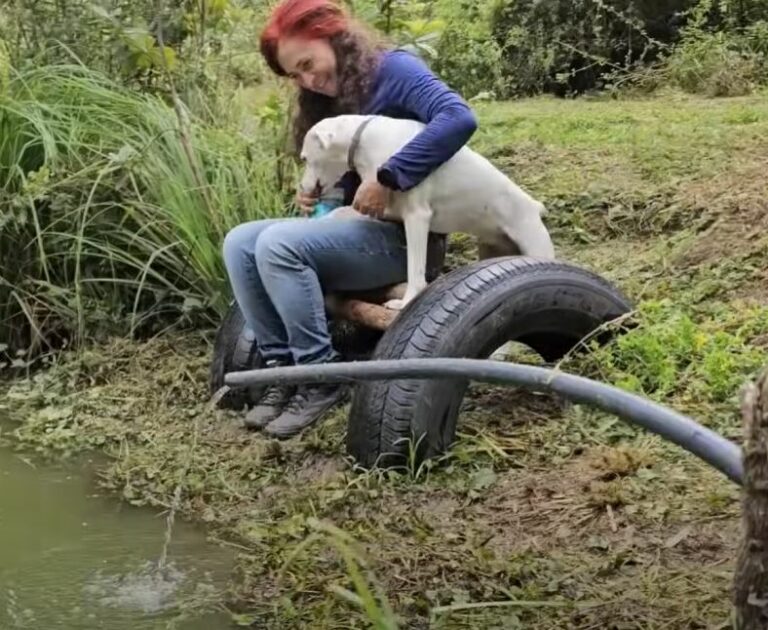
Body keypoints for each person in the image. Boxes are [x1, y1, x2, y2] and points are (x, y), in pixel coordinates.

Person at [222, 0, 478, 439]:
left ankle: (320, 377)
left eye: (307, 63)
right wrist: (319, 198)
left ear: (332, 35)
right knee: (241, 241)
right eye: (295, 76)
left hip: (407, 239)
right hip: (355, 233)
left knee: (278, 243)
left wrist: (388, 176)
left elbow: (458, 118)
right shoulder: (327, 98)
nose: (307, 80)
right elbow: (346, 187)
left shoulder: (393, 70)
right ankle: (282, 373)